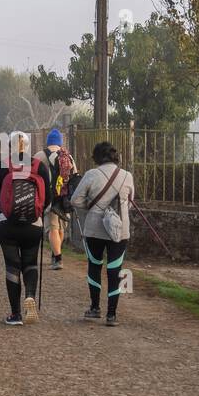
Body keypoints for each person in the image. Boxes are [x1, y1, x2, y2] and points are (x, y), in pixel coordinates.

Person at [0, 131, 54, 326]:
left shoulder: (3, 166)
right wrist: (37, 214)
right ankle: (30, 295)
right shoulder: (39, 167)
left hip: (6, 224)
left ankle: (15, 315)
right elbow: (48, 198)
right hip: (33, 225)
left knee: (12, 266)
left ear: (10, 147)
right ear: (28, 147)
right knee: (30, 263)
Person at [70, 140, 135, 327]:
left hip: (94, 228)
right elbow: (129, 203)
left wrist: (91, 207)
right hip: (120, 230)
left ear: (97, 157)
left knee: (94, 265)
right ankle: (112, 315)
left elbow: (75, 200)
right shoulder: (127, 176)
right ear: (115, 157)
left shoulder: (91, 174)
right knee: (115, 269)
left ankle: (95, 308)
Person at [33, 128, 75, 270]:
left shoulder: (39, 155)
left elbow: (32, 176)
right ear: (60, 142)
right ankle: (55, 253)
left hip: (48, 198)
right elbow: (75, 176)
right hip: (64, 199)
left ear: (48, 141)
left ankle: (58, 258)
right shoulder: (68, 157)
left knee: (52, 229)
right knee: (60, 228)